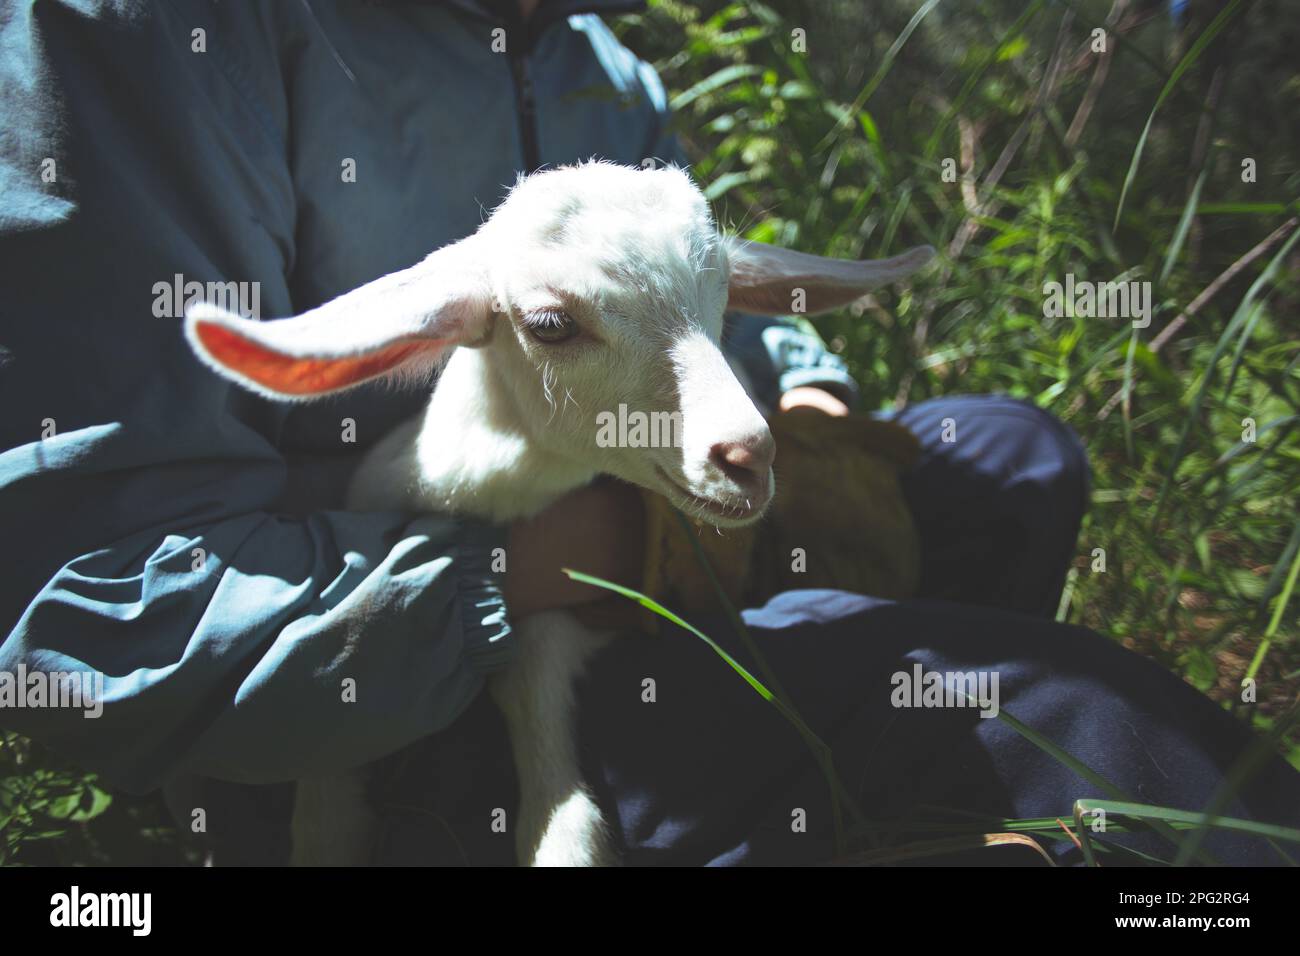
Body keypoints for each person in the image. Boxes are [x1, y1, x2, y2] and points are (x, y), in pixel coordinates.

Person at [1, 0, 1295, 866]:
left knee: (1012, 458)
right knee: (1067, 715)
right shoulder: (150, 35)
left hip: (654, 512)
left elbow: (695, 298)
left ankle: (837, 787)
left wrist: (804, 393)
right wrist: (576, 555)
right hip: (400, 677)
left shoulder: (588, 58)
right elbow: (86, 611)